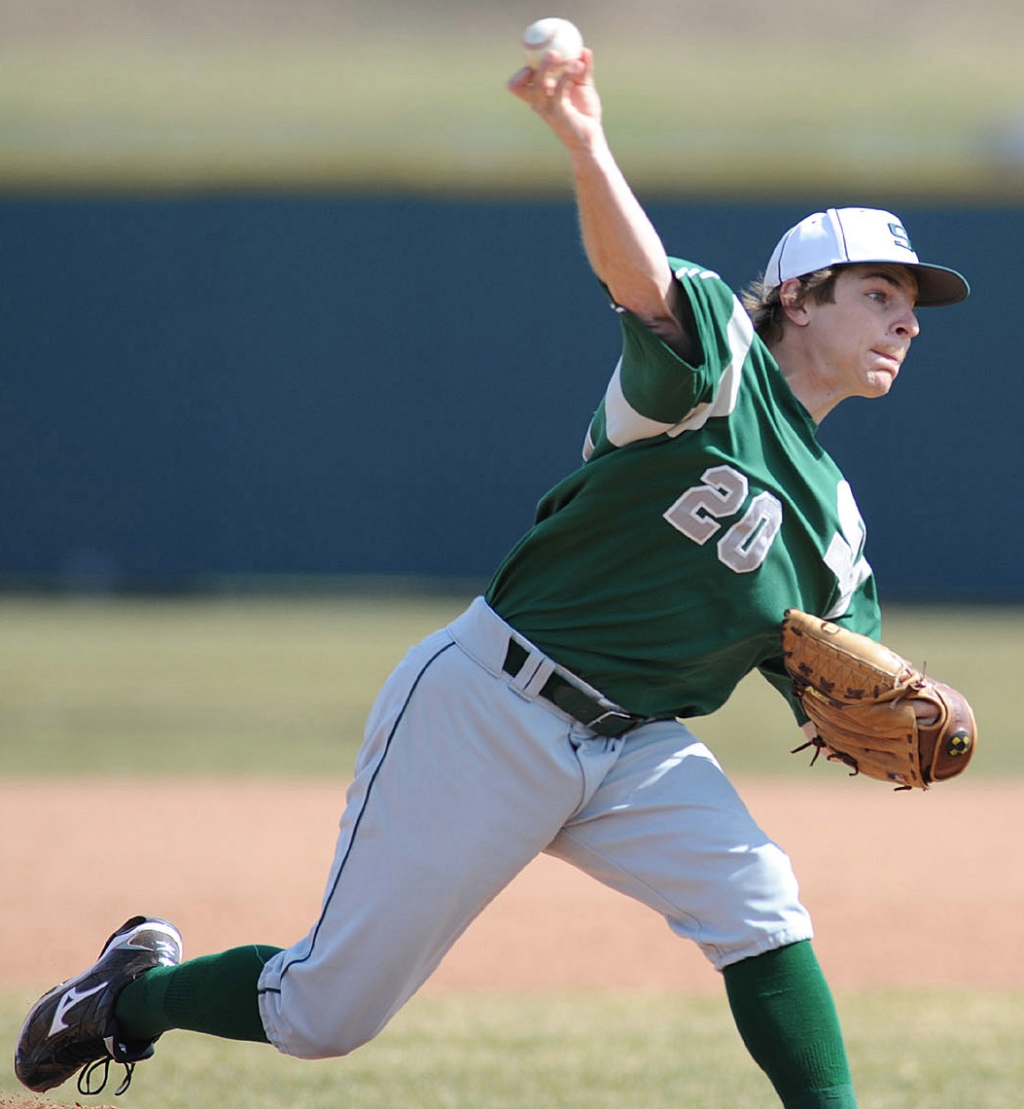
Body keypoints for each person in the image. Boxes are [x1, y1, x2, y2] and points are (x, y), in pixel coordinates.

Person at [16, 45, 969, 1109]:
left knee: (761, 904)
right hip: (492, 706)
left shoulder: (837, 526)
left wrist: (908, 703)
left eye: (912, 306)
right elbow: (640, 280)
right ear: (797, 296)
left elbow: (844, 682)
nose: (905, 320)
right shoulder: (716, 370)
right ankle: (123, 997)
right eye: (878, 293)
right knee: (322, 1014)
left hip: (635, 746)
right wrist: (585, 141)